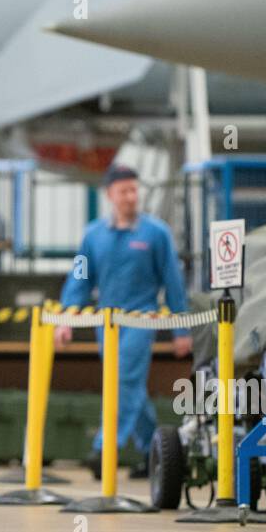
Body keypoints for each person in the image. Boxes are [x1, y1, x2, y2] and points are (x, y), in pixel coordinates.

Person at [53, 165, 190, 479]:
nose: (131, 196)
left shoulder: (156, 234)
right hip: (107, 325)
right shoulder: (93, 235)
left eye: (134, 189)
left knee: (123, 381)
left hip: (142, 323)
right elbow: (79, 280)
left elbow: (173, 283)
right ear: (109, 194)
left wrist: (181, 330)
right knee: (129, 389)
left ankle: (104, 449)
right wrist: (66, 319)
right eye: (124, 191)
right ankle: (152, 452)